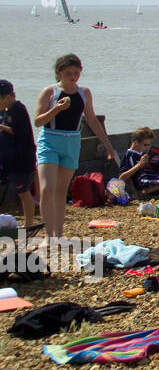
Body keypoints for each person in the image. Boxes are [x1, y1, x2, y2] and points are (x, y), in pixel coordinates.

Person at [34, 54, 117, 243]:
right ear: (59, 73)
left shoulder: (84, 92)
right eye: (68, 73)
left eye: (76, 73)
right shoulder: (50, 92)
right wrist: (56, 109)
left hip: (72, 142)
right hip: (50, 141)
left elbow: (92, 120)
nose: (73, 77)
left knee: (60, 191)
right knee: (47, 189)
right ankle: (48, 236)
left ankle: (59, 234)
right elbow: (38, 121)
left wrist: (108, 145)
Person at [0, 80, 39, 229]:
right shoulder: (5, 111)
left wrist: (2, 127)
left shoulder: (18, 109)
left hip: (22, 161)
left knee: (23, 193)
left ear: (8, 97)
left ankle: (29, 224)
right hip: (7, 160)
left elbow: (20, 132)